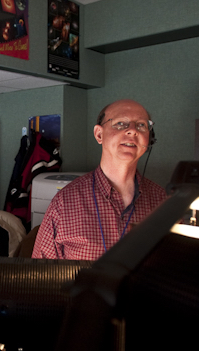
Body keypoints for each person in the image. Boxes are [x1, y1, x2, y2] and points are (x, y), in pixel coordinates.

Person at [32, 99, 167, 260]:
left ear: (149, 139)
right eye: (120, 123)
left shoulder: (163, 201)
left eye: (141, 125)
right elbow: (39, 276)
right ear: (99, 134)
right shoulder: (64, 202)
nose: (133, 131)